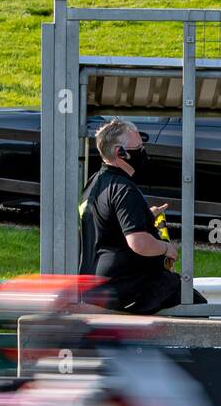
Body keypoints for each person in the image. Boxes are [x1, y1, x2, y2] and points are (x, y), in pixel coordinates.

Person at [78, 118, 206, 314]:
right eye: (138, 147)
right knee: (197, 306)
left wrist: (145, 216)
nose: (143, 151)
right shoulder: (123, 189)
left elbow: (106, 223)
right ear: (120, 152)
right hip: (127, 289)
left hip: (96, 287)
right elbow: (139, 243)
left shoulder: (94, 183)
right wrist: (166, 248)